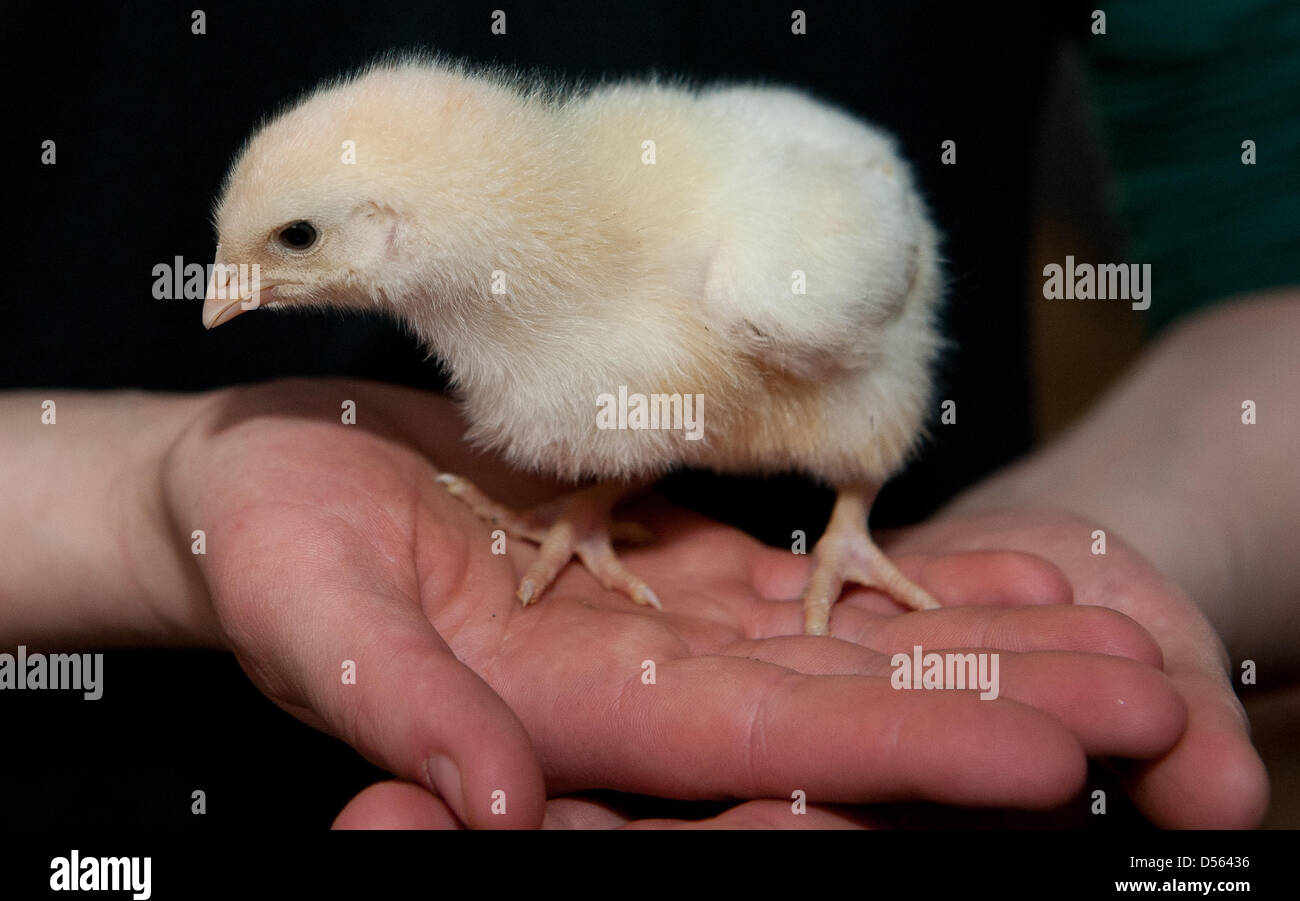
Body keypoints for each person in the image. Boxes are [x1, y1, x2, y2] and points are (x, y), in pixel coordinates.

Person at [3, 0, 1293, 829]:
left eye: (283, 246)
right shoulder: (538, 301)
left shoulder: (756, 265)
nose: (234, 293)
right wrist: (134, 498)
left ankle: (849, 512)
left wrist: (1067, 535)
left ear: (394, 235)